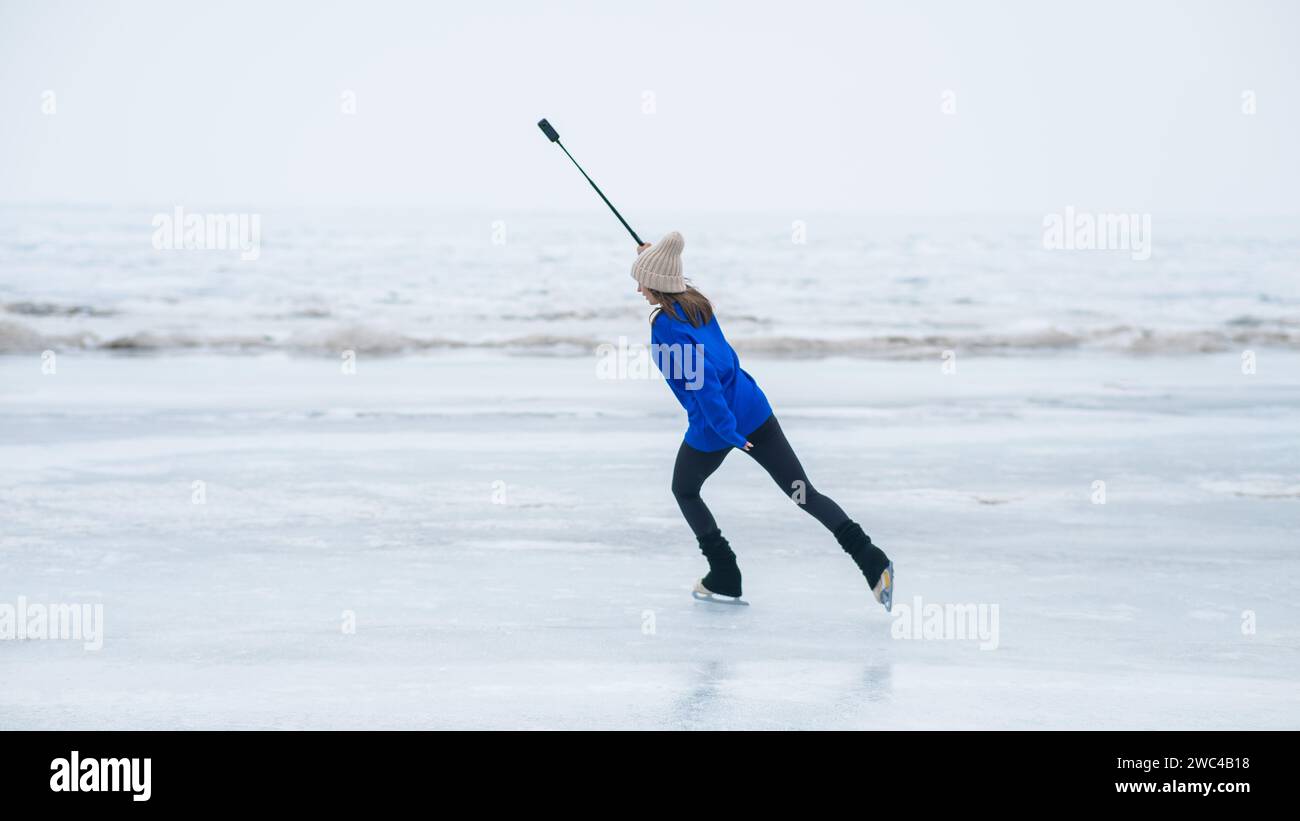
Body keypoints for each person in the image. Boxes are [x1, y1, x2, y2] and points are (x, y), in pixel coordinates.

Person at [632, 231, 894, 610]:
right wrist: (653, 260)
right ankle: (872, 559)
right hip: (754, 409)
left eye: (642, 282)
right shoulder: (697, 303)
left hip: (716, 426)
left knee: (685, 490)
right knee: (803, 492)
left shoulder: (665, 327)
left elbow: (701, 384)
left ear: (657, 283)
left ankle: (724, 572)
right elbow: (670, 284)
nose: (639, 290)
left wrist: (727, 434)